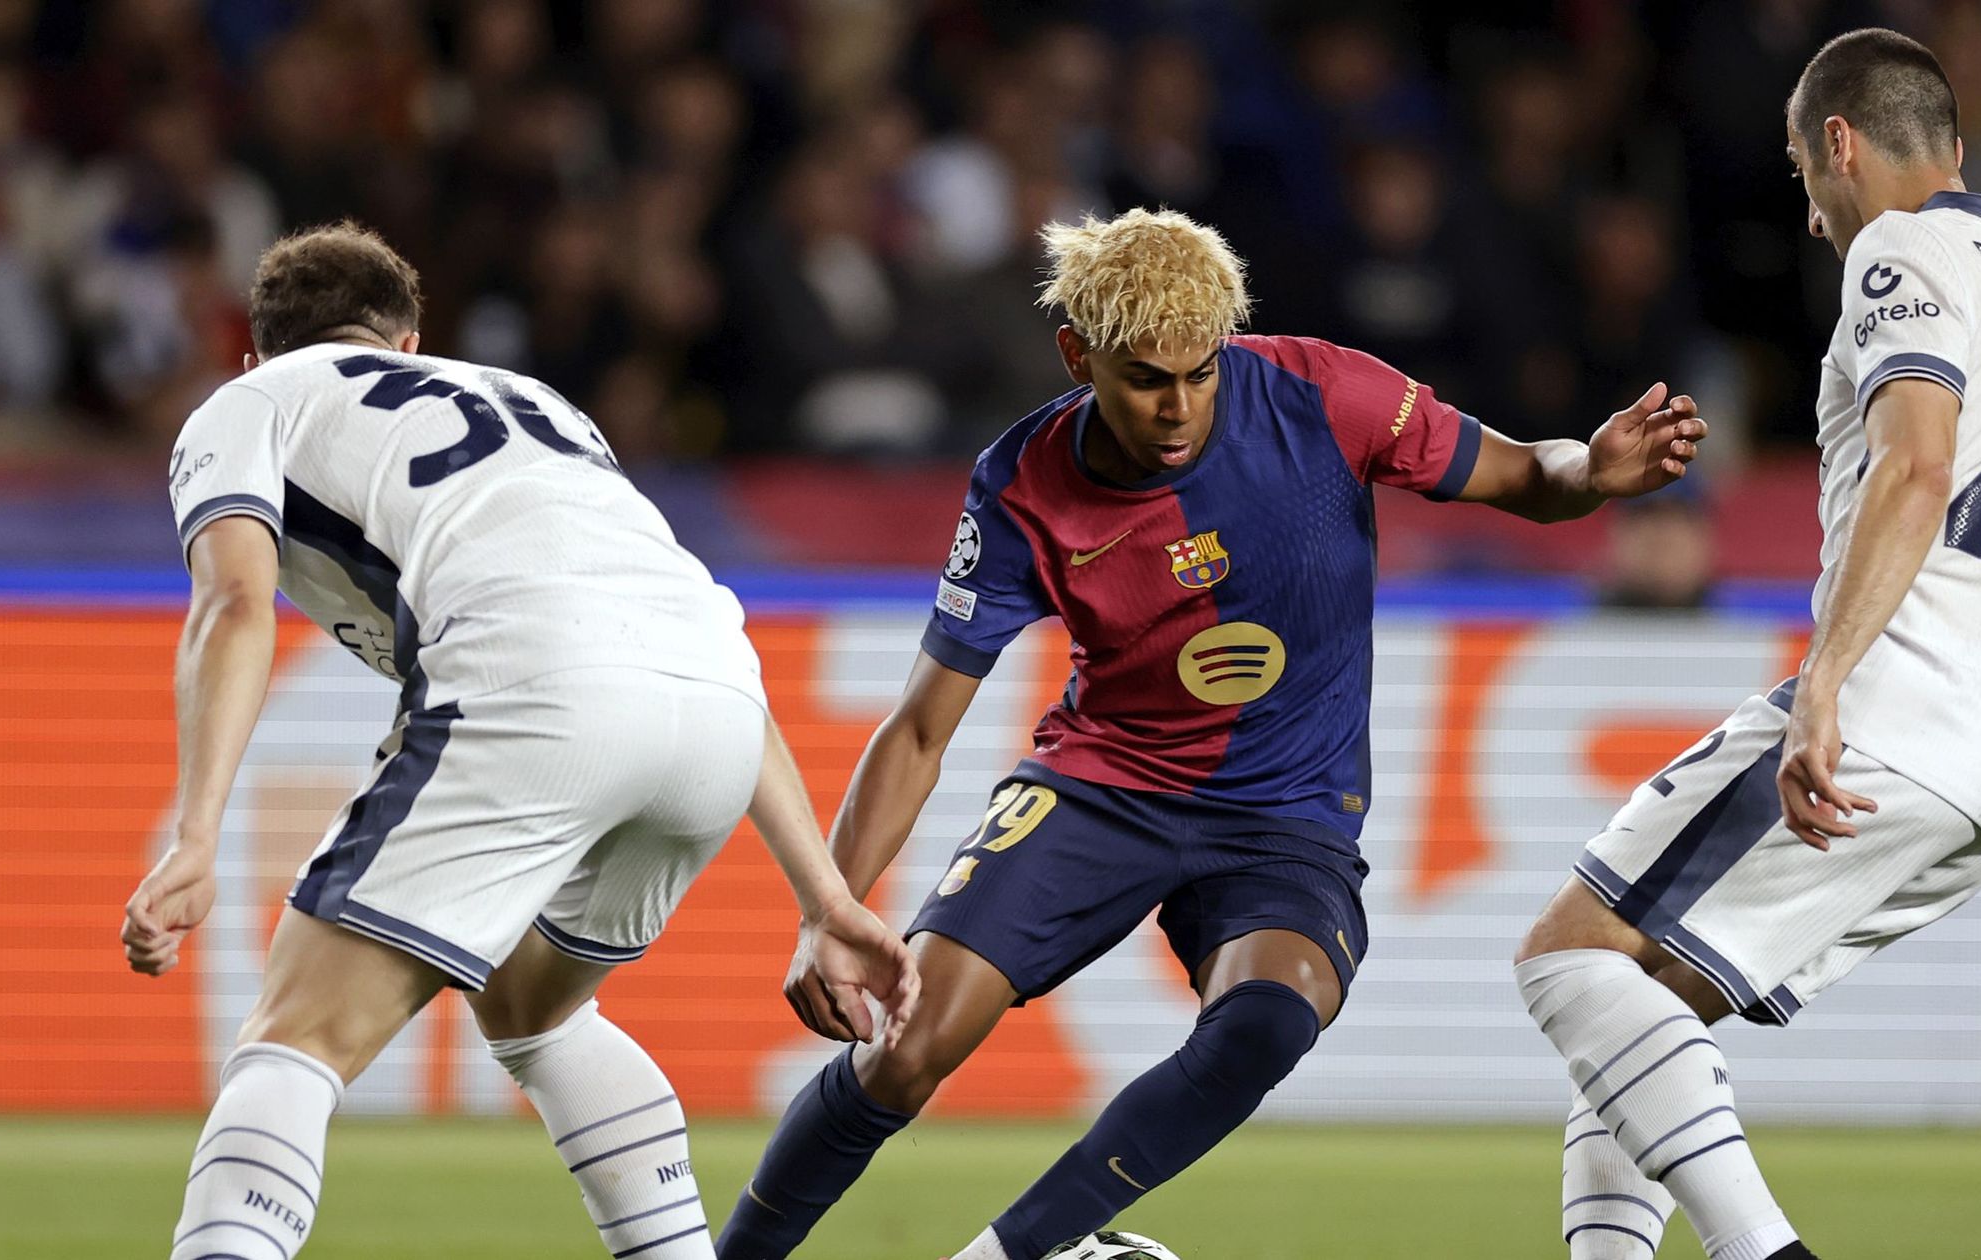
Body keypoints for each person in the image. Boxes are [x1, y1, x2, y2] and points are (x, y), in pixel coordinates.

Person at [714, 207, 1709, 1260]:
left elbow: (1523, 475)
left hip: (1284, 818)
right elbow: (918, 729)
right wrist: (831, 908)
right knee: (906, 1048)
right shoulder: (1021, 484)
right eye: (1146, 379)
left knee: (1272, 1020)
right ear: (1078, 355)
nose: (1180, 406)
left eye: (1202, 372)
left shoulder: (1326, 396)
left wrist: (1590, 471)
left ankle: (1009, 1253)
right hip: (1101, 788)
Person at [121, 221, 918, 1260]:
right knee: (530, 1008)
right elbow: (669, 632)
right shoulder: (540, 404)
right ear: (409, 342)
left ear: (259, 354)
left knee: (296, 1039)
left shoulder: (254, 401)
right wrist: (826, 899)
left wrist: (195, 835)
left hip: (540, 691)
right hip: (718, 710)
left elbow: (234, 602)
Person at [1511, 29, 1981, 1260]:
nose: (1811, 217)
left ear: (1840, 145)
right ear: (1959, 150)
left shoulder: (1893, 252)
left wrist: (1823, 688)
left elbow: (1917, 466)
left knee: (1564, 961)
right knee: (1641, 1016)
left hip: (1884, 719)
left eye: (1808, 181)